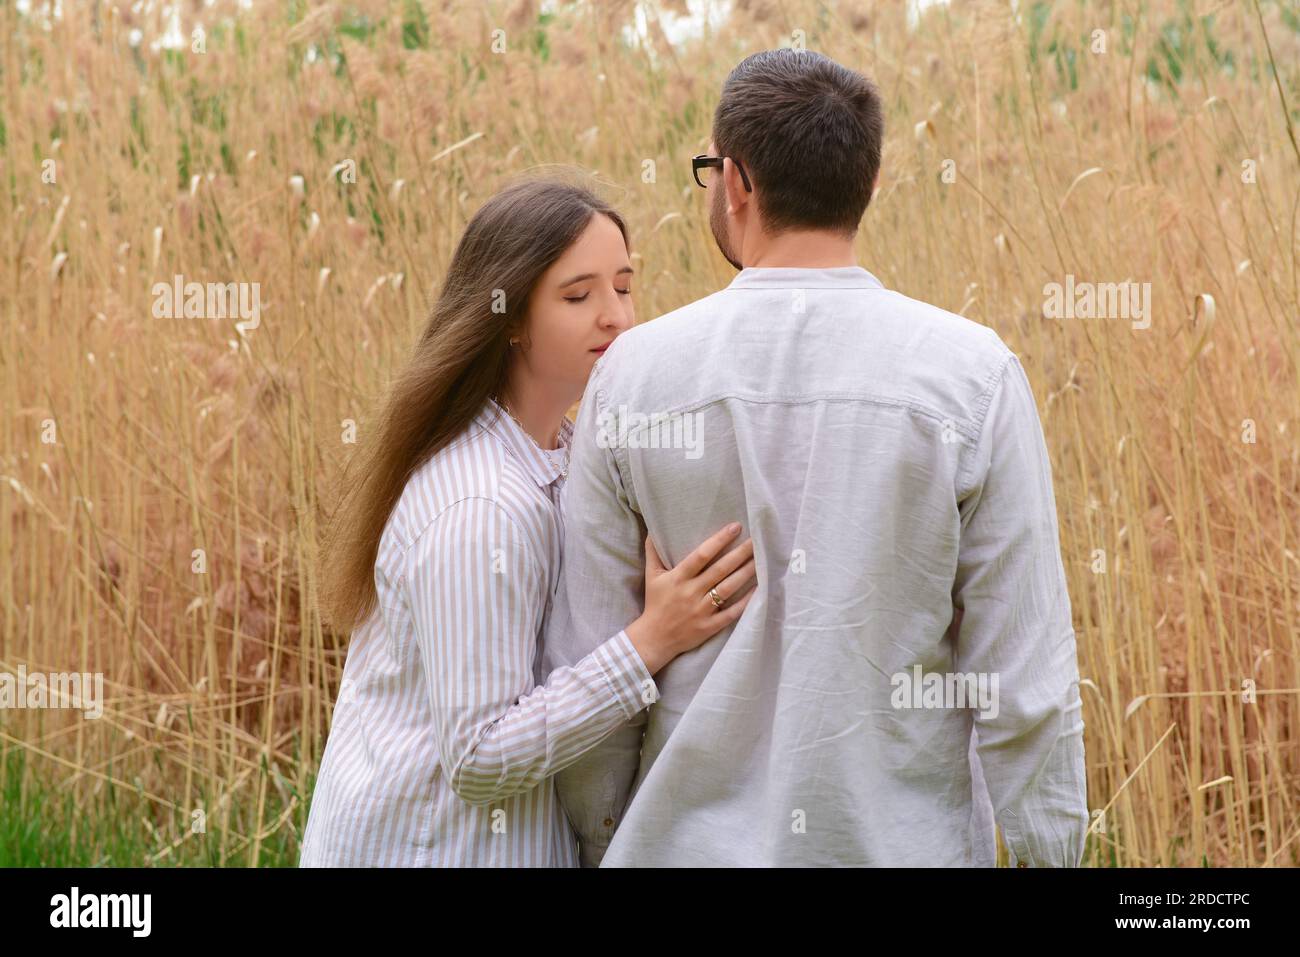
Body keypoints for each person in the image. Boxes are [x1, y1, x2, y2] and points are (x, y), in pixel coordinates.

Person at [544, 49, 1088, 867]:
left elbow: (593, 651)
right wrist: (1052, 853)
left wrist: (600, 836)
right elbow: (1025, 686)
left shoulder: (632, 375)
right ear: (868, 186)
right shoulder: (972, 376)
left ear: (736, 184)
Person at [300, 177, 756, 867]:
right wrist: (650, 641)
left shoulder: (568, 454)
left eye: (624, 287)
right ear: (508, 317)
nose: (617, 318)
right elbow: (480, 756)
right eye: (579, 295)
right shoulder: (480, 508)